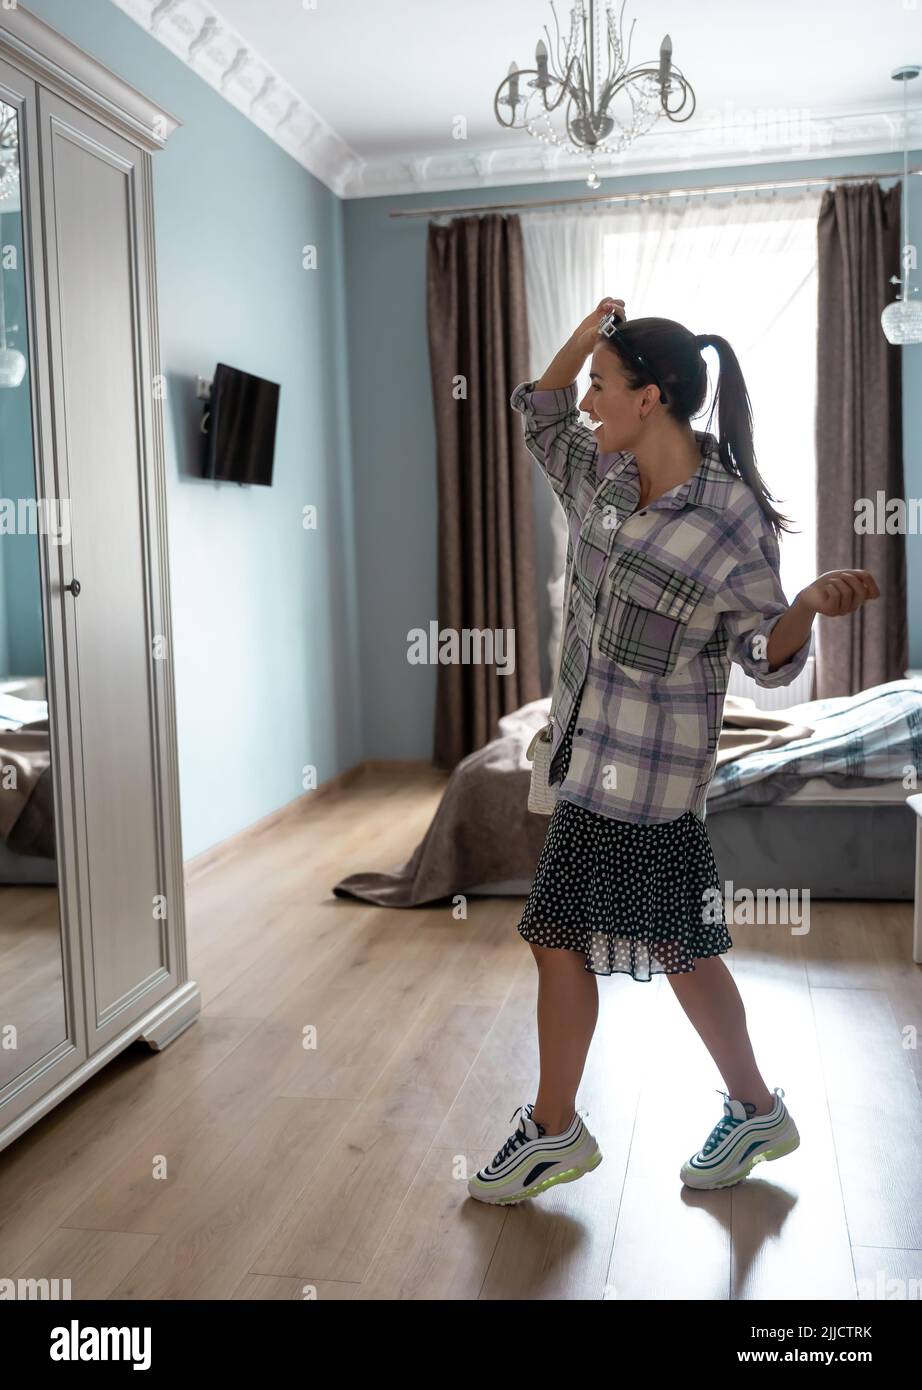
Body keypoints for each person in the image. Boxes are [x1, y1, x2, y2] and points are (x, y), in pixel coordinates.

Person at [467, 297, 880, 1205]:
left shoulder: (730, 515)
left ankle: (556, 1130)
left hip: (651, 782)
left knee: (569, 939)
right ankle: (745, 1110)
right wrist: (583, 338)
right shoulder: (603, 480)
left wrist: (803, 610)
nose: (587, 403)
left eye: (603, 386)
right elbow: (536, 410)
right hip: (584, 758)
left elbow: (761, 658)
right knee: (655, 944)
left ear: (650, 398)